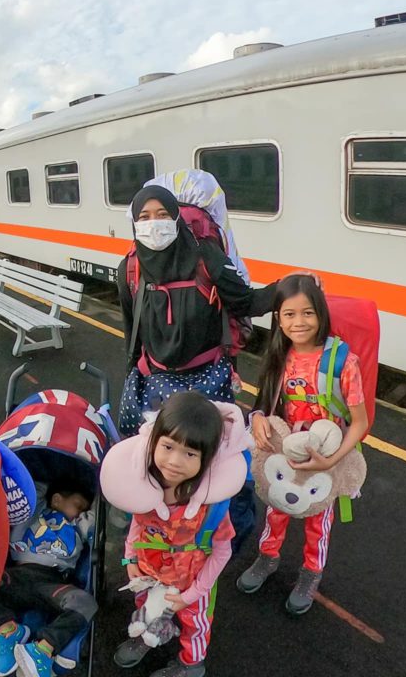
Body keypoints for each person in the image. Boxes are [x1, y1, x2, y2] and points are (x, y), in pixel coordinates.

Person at [117, 184, 277, 551]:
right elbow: (132, 333)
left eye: (161, 215)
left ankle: (224, 540)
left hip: (208, 381)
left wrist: (292, 288)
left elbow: (246, 302)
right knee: (164, 465)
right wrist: (132, 375)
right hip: (156, 384)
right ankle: (162, 542)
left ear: (176, 217)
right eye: (143, 218)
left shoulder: (206, 257)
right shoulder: (130, 267)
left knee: (217, 463)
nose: (153, 224)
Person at [237, 273, 369, 614]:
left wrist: (332, 461)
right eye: (289, 314)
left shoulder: (344, 362)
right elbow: (265, 402)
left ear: (321, 314)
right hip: (286, 450)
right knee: (277, 509)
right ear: (278, 319)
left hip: (327, 454)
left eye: (308, 313)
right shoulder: (280, 356)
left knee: (317, 521)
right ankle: (268, 557)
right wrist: (258, 418)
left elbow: (360, 422)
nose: (299, 322)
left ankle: (311, 573)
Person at [108, 392, 242, 677]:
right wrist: (129, 559)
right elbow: (138, 522)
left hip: (190, 582)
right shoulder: (146, 483)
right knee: (146, 607)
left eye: (190, 453)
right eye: (168, 446)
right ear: (154, 440)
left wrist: (193, 594)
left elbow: (222, 550)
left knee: (194, 624)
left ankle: (191, 665)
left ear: (207, 458)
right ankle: (148, 634)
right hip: (148, 572)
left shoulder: (211, 503)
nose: (175, 461)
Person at [0, 479, 98, 677]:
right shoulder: (32, 513)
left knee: (86, 602)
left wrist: (97, 491)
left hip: (51, 581)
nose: (80, 512)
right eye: (77, 505)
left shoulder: (78, 525)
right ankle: (8, 631)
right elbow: (30, 488)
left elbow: (95, 515)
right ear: (57, 499)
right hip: (17, 576)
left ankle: (42, 649)